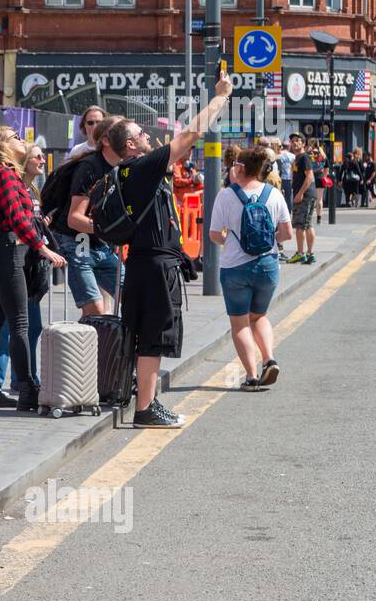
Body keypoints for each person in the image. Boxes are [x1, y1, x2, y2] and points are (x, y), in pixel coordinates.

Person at [109, 74, 233, 429]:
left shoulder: (132, 171)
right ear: (130, 146)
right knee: (154, 336)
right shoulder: (141, 167)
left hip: (143, 264)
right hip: (153, 267)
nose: (149, 138)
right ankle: (145, 408)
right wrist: (220, 97)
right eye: (141, 135)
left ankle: (148, 401)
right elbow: (192, 133)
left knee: (148, 334)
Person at [0, 130, 66, 410]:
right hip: (8, 251)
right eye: (15, 136)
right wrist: (43, 248)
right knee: (20, 324)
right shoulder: (4, 176)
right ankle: (27, 388)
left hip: (4, 252)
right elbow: (17, 217)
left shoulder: (8, 176)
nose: (21, 139)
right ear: (4, 145)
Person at [208, 146, 293, 392]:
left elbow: (214, 234)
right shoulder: (274, 194)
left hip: (235, 267)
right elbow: (286, 234)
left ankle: (252, 377)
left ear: (241, 168)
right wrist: (265, 240)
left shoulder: (226, 195)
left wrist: (233, 243)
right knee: (259, 317)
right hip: (267, 265)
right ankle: (269, 359)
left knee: (240, 323)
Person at [50, 114, 146, 317]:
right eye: (120, 129)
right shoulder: (90, 168)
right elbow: (74, 218)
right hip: (77, 242)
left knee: (133, 297)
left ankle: (121, 347)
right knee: (95, 310)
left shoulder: (123, 166)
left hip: (101, 244)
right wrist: (110, 229)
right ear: (106, 141)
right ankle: (91, 348)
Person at [287, 133, 317, 264]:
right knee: (308, 225)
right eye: (293, 141)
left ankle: (300, 253)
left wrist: (300, 194)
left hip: (304, 196)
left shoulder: (304, 157)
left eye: (297, 141)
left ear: (303, 144)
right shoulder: (298, 158)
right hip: (308, 195)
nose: (294, 143)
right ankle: (310, 254)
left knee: (300, 226)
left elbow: (309, 176)